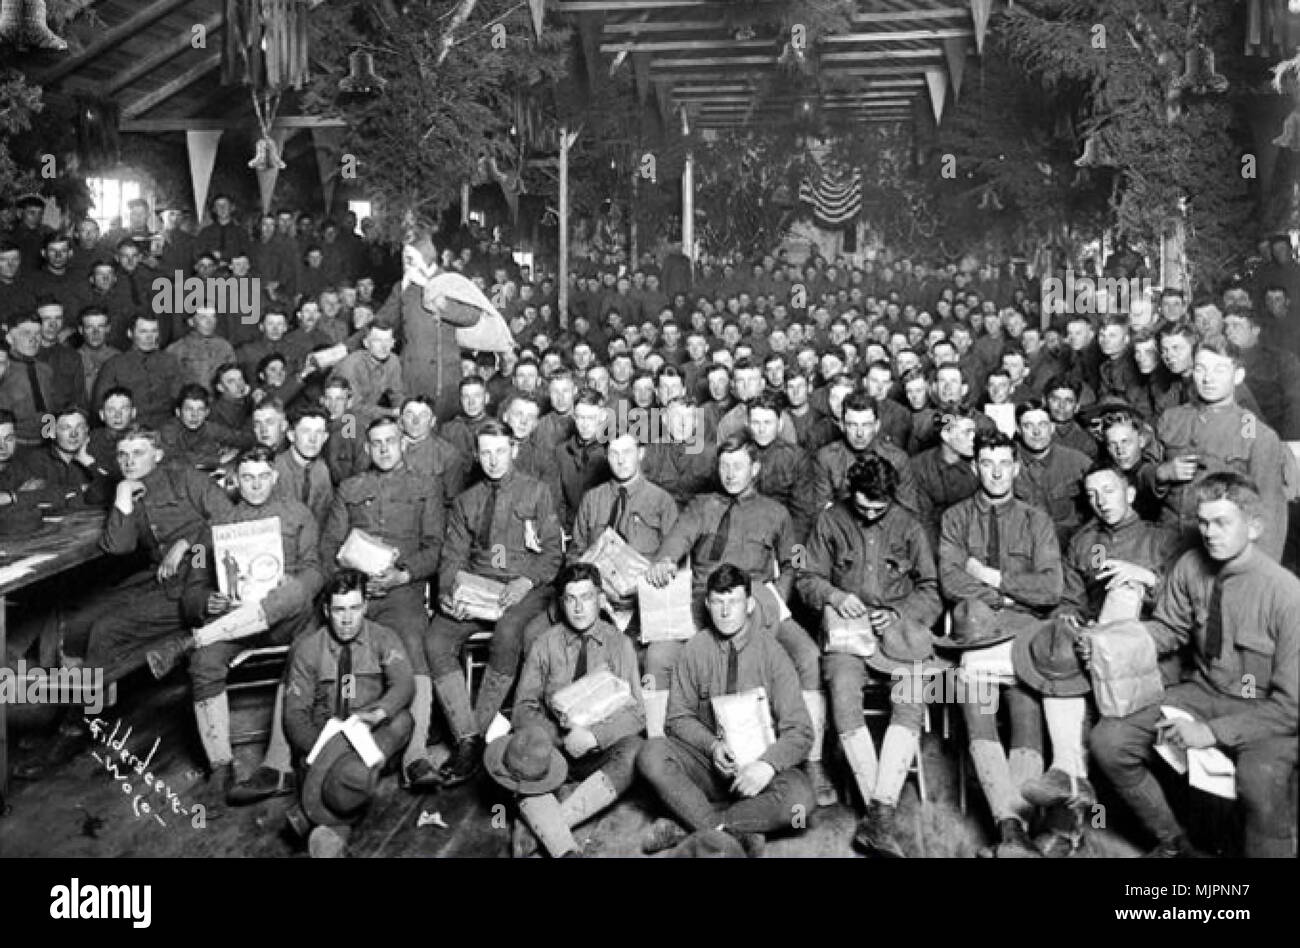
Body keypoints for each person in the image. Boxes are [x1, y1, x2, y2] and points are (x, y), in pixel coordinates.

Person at [1089, 473, 1300, 858]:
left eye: (1221, 523)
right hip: (1203, 692)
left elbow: (1291, 708)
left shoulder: (1286, 594)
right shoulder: (1190, 565)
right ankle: (1176, 843)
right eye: (1203, 522)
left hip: (1266, 712)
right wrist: (1113, 643)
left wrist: (1211, 732)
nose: (1209, 533)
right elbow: (1169, 629)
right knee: (1110, 741)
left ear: (1254, 527)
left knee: (1259, 779)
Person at [644, 434, 830, 803]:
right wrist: (665, 560)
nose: (730, 474)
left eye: (739, 466)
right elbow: (678, 539)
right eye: (724, 465)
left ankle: (813, 762)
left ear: (755, 469)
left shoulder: (776, 512)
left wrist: (778, 600)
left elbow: (793, 561)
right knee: (658, 656)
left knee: (808, 656)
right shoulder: (701, 505)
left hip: (757, 600)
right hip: (707, 601)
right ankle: (662, 759)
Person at [1013, 463, 1179, 857]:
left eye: (1109, 490)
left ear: (1131, 493)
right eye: (1092, 494)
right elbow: (1069, 600)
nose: (1100, 501)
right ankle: (1069, 817)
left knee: (1124, 594)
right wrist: (1069, 618)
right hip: (1092, 652)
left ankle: (1067, 820)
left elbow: (1184, 602)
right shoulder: (1083, 541)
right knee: (1057, 662)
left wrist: (1146, 578)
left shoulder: (1162, 539)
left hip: (1145, 657)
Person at [146, 447, 325, 808]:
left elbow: (316, 571)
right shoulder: (217, 525)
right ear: (235, 481)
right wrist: (206, 601)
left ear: (275, 477)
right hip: (235, 623)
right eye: (247, 478)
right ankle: (221, 766)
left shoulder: (298, 514)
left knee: (295, 593)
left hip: (288, 620)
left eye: (263, 477)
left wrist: (294, 585)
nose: (256, 485)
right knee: (204, 662)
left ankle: (193, 640)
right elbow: (193, 589)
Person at [796, 456, 943, 857]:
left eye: (880, 509)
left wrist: (897, 612)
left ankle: (879, 815)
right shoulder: (830, 520)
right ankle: (883, 816)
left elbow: (931, 590)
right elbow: (806, 578)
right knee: (843, 691)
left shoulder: (910, 524)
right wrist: (835, 596)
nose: (871, 514)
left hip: (899, 634)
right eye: (864, 507)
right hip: (847, 634)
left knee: (911, 696)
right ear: (851, 492)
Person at [937, 430, 1063, 858]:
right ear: (975, 467)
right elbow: (951, 581)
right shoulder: (955, 517)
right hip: (975, 633)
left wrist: (993, 580)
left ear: (1016, 467)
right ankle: (1010, 829)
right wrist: (1009, 596)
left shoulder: (1036, 520)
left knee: (1027, 716)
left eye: (1004, 464)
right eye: (987, 464)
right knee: (979, 713)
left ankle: (1013, 833)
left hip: (1025, 634)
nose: (996, 473)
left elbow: (1051, 589)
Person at [636, 564, 815, 857]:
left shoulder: (773, 653)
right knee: (651, 753)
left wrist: (767, 765)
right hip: (710, 767)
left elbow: (801, 731)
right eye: (718, 602)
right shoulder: (695, 649)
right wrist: (712, 746)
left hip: (757, 772)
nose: (726, 611)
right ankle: (732, 829)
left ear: (750, 605)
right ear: (707, 605)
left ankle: (691, 824)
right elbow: (678, 718)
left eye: (734, 601)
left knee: (800, 801)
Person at [426, 419, 563, 787]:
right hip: (479, 588)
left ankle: (480, 727)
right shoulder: (466, 501)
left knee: (508, 632)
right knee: (436, 639)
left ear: (514, 450)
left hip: (525, 587)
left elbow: (553, 552)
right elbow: (452, 557)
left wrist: (525, 581)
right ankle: (468, 738)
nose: (493, 460)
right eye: (485, 452)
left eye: (500, 451)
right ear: (476, 454)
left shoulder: (537, 492)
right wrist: (447, 594)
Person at [320, 416, 445, 788]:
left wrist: (402, 576)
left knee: (414, 644)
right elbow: (329, 548)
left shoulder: (425, 486)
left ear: (403, 443)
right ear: (367, 448)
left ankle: (416, 756)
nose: (385, 449)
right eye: (376, 443)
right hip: (354, 590)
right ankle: (330, 748)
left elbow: (435, 548)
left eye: (391, 441)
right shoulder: (350, 487)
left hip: (401, 590)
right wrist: (351, 584)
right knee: (323, 645)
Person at [504, 562, 647, 857]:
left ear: (600, 599)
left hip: (598, 752)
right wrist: (555, 737)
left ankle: (545, 828)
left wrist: (594, 736)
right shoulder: (545, 643)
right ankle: (563, 847)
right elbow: (522, 709)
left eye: (586, 597)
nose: (579, 608)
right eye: (571, 599)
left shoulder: (619, 644)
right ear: (561, 602)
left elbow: (637, 713)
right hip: (554, 750)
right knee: (516, 751)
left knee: (635, 751)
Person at [282, 570, 415, 858]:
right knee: (345, 779)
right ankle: (331, 816)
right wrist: (322, 753)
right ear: (326, 610)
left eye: (354, 608)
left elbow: (404, 684)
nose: (347, 619)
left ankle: (316, 811)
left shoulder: (384, 637)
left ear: (365, 606)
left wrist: (380, 712)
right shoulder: (307, 649)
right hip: (323, 738)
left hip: (368, 732)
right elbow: (295, 716)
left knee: (402, 721)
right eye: (339, 610)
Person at [1153, 337, 1294, 561]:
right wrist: (1162, 473)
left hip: (1218, 557)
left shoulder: (1258, 435)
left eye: (1219, 370)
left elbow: (1270, 515)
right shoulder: (1171, 419)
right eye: (1200, 369)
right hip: (1164, 550)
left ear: (1238, 376)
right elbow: (1140, 479)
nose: (1208, 378)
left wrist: (1255, 572)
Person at [93, 314, 184, 429]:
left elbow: (180, 400)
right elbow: (100, 405)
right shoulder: (114, 365)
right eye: (143, 331)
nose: (149, 337)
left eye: (154, 331)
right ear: (130, 333)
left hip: (166, 428)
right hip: (127, 429)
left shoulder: (170, 362)